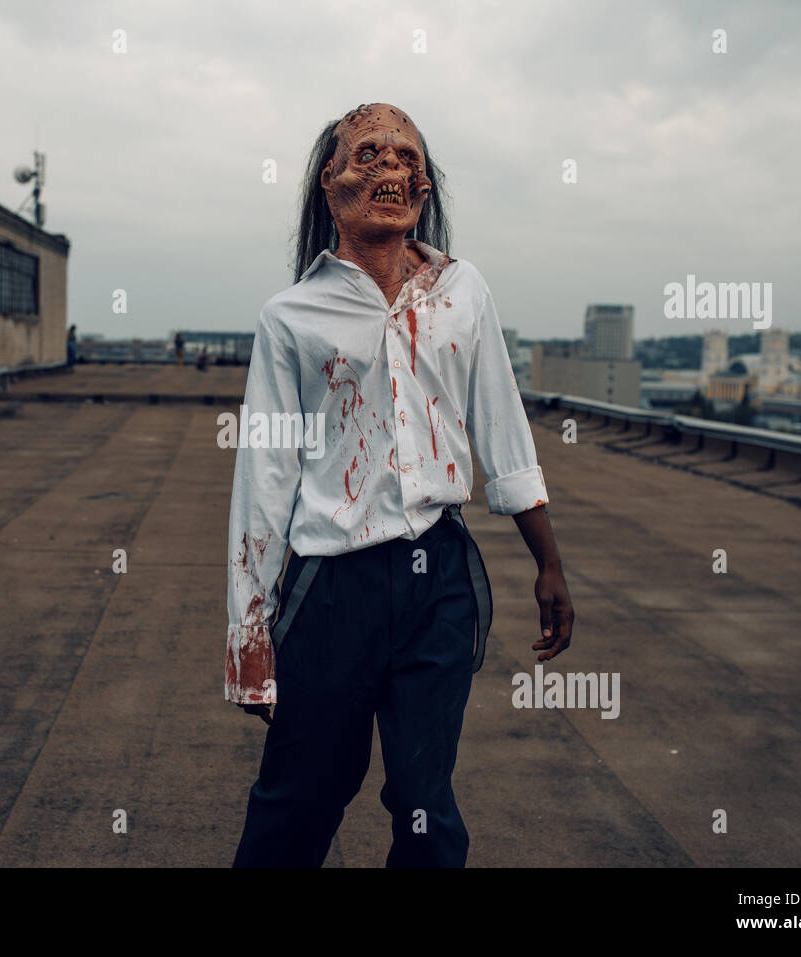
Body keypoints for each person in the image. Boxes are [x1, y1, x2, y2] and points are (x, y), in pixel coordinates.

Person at [225, 103, 575, 868]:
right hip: (331, 586)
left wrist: (547, 562)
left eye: (408, 156)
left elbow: (502, 427)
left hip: (439, 578)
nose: (392, 166)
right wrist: (248, 634)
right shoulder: (290, 317)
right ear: (330, 182)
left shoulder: (463, 291)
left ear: (425, 186)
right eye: (370, 153)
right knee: (301, 797)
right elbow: (265, 476)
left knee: (425, 805)